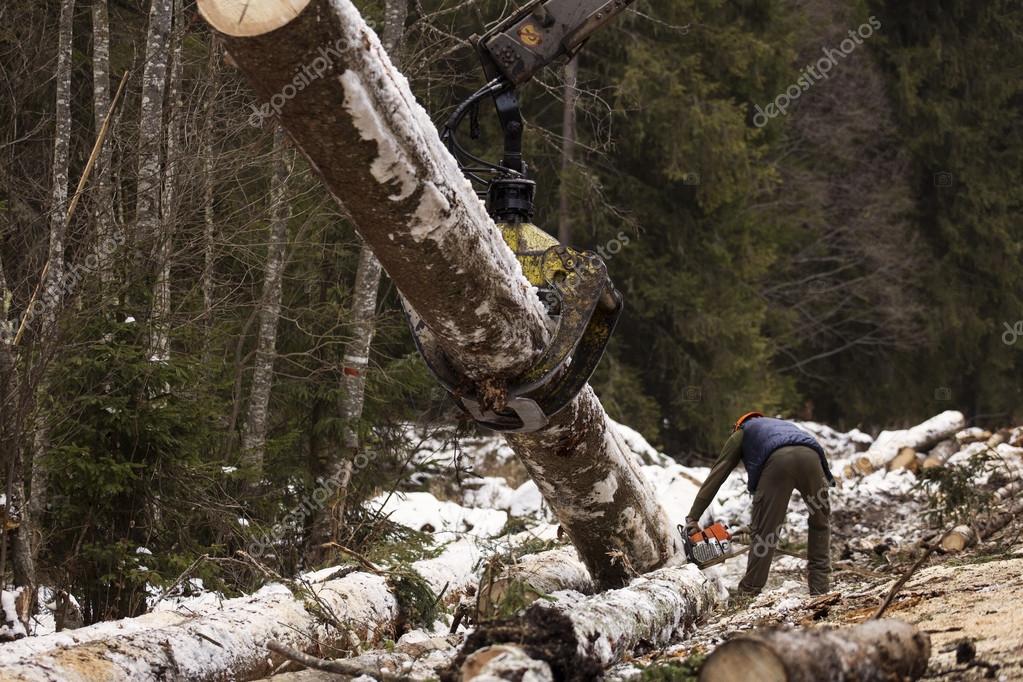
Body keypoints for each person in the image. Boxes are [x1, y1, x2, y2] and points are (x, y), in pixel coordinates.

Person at [684, 412, 835, 595]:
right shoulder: (779, 426)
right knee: (820, 523)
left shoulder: (742, 432)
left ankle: (749, 591)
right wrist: (753, 527)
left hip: (779, 461)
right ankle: (821, 589)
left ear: (738, 424)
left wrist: (693, 518)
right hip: (812, 457)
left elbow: (717, 475)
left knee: (766, 534)